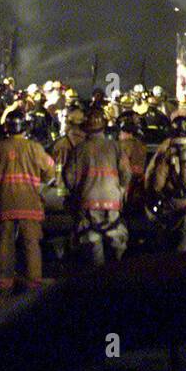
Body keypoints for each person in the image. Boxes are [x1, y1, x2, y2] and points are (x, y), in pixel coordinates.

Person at [0, 109, 54, 291]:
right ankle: (33, 282)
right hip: (29, 203)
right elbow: (50, 173)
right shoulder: (35, 148)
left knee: (4, 242)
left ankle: (3, 282)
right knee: (31, 243)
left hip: (4, 203)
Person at [64, 111, 130, 265]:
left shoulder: (78, 150)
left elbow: (68, 178)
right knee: (116, 251)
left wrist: (77, 193)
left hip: (88, 206)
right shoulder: (115, 147)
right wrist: (120, 190)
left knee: (93, 250)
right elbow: (126, 174)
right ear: (103, 127)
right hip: (112, 205)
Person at [117, 111, 148, 210]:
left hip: (127, 183)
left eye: (121, 132)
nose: (119, 135)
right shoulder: (142, 145)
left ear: (127, 133)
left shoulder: (123, 146)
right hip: (140, 185)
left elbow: (122, 168)